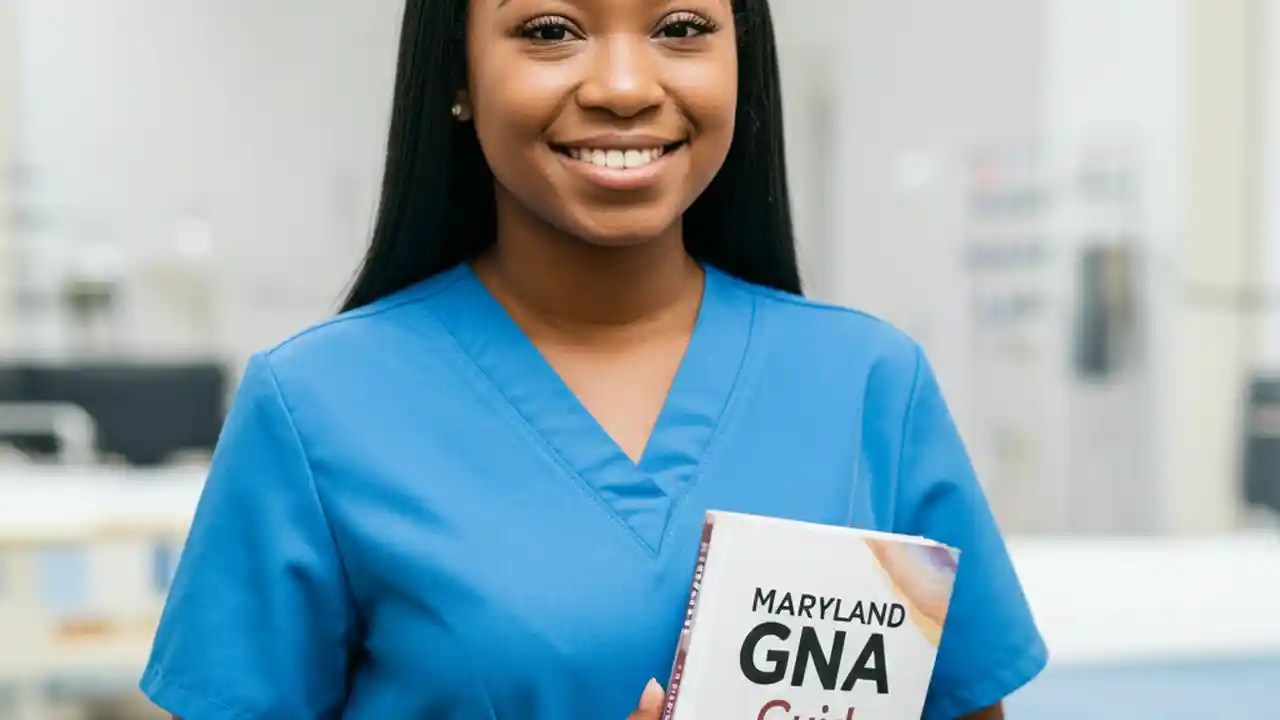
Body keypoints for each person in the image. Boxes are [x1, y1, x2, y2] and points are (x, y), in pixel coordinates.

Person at [140, 0, 1047, 718]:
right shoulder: (315, 410)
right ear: (456, 71)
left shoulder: (869, 388)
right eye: (550, 30)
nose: (623, 83)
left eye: (683, 27)